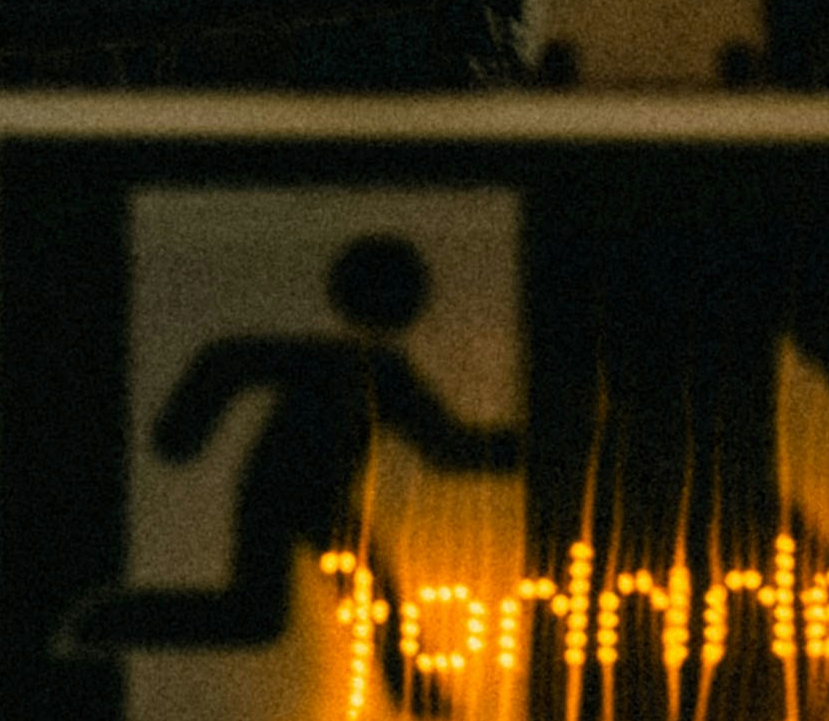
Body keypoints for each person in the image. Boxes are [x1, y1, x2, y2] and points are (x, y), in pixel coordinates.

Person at [61, 233, 517, 654]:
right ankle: (99, 623)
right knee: (288, 612)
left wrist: (184, 431)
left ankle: (101, 622)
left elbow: (446, 448)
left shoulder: (371, 370)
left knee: (275, 613)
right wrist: (182, 431)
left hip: (301, 497)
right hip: (290, 495)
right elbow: (446, 448)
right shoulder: (366, 369)